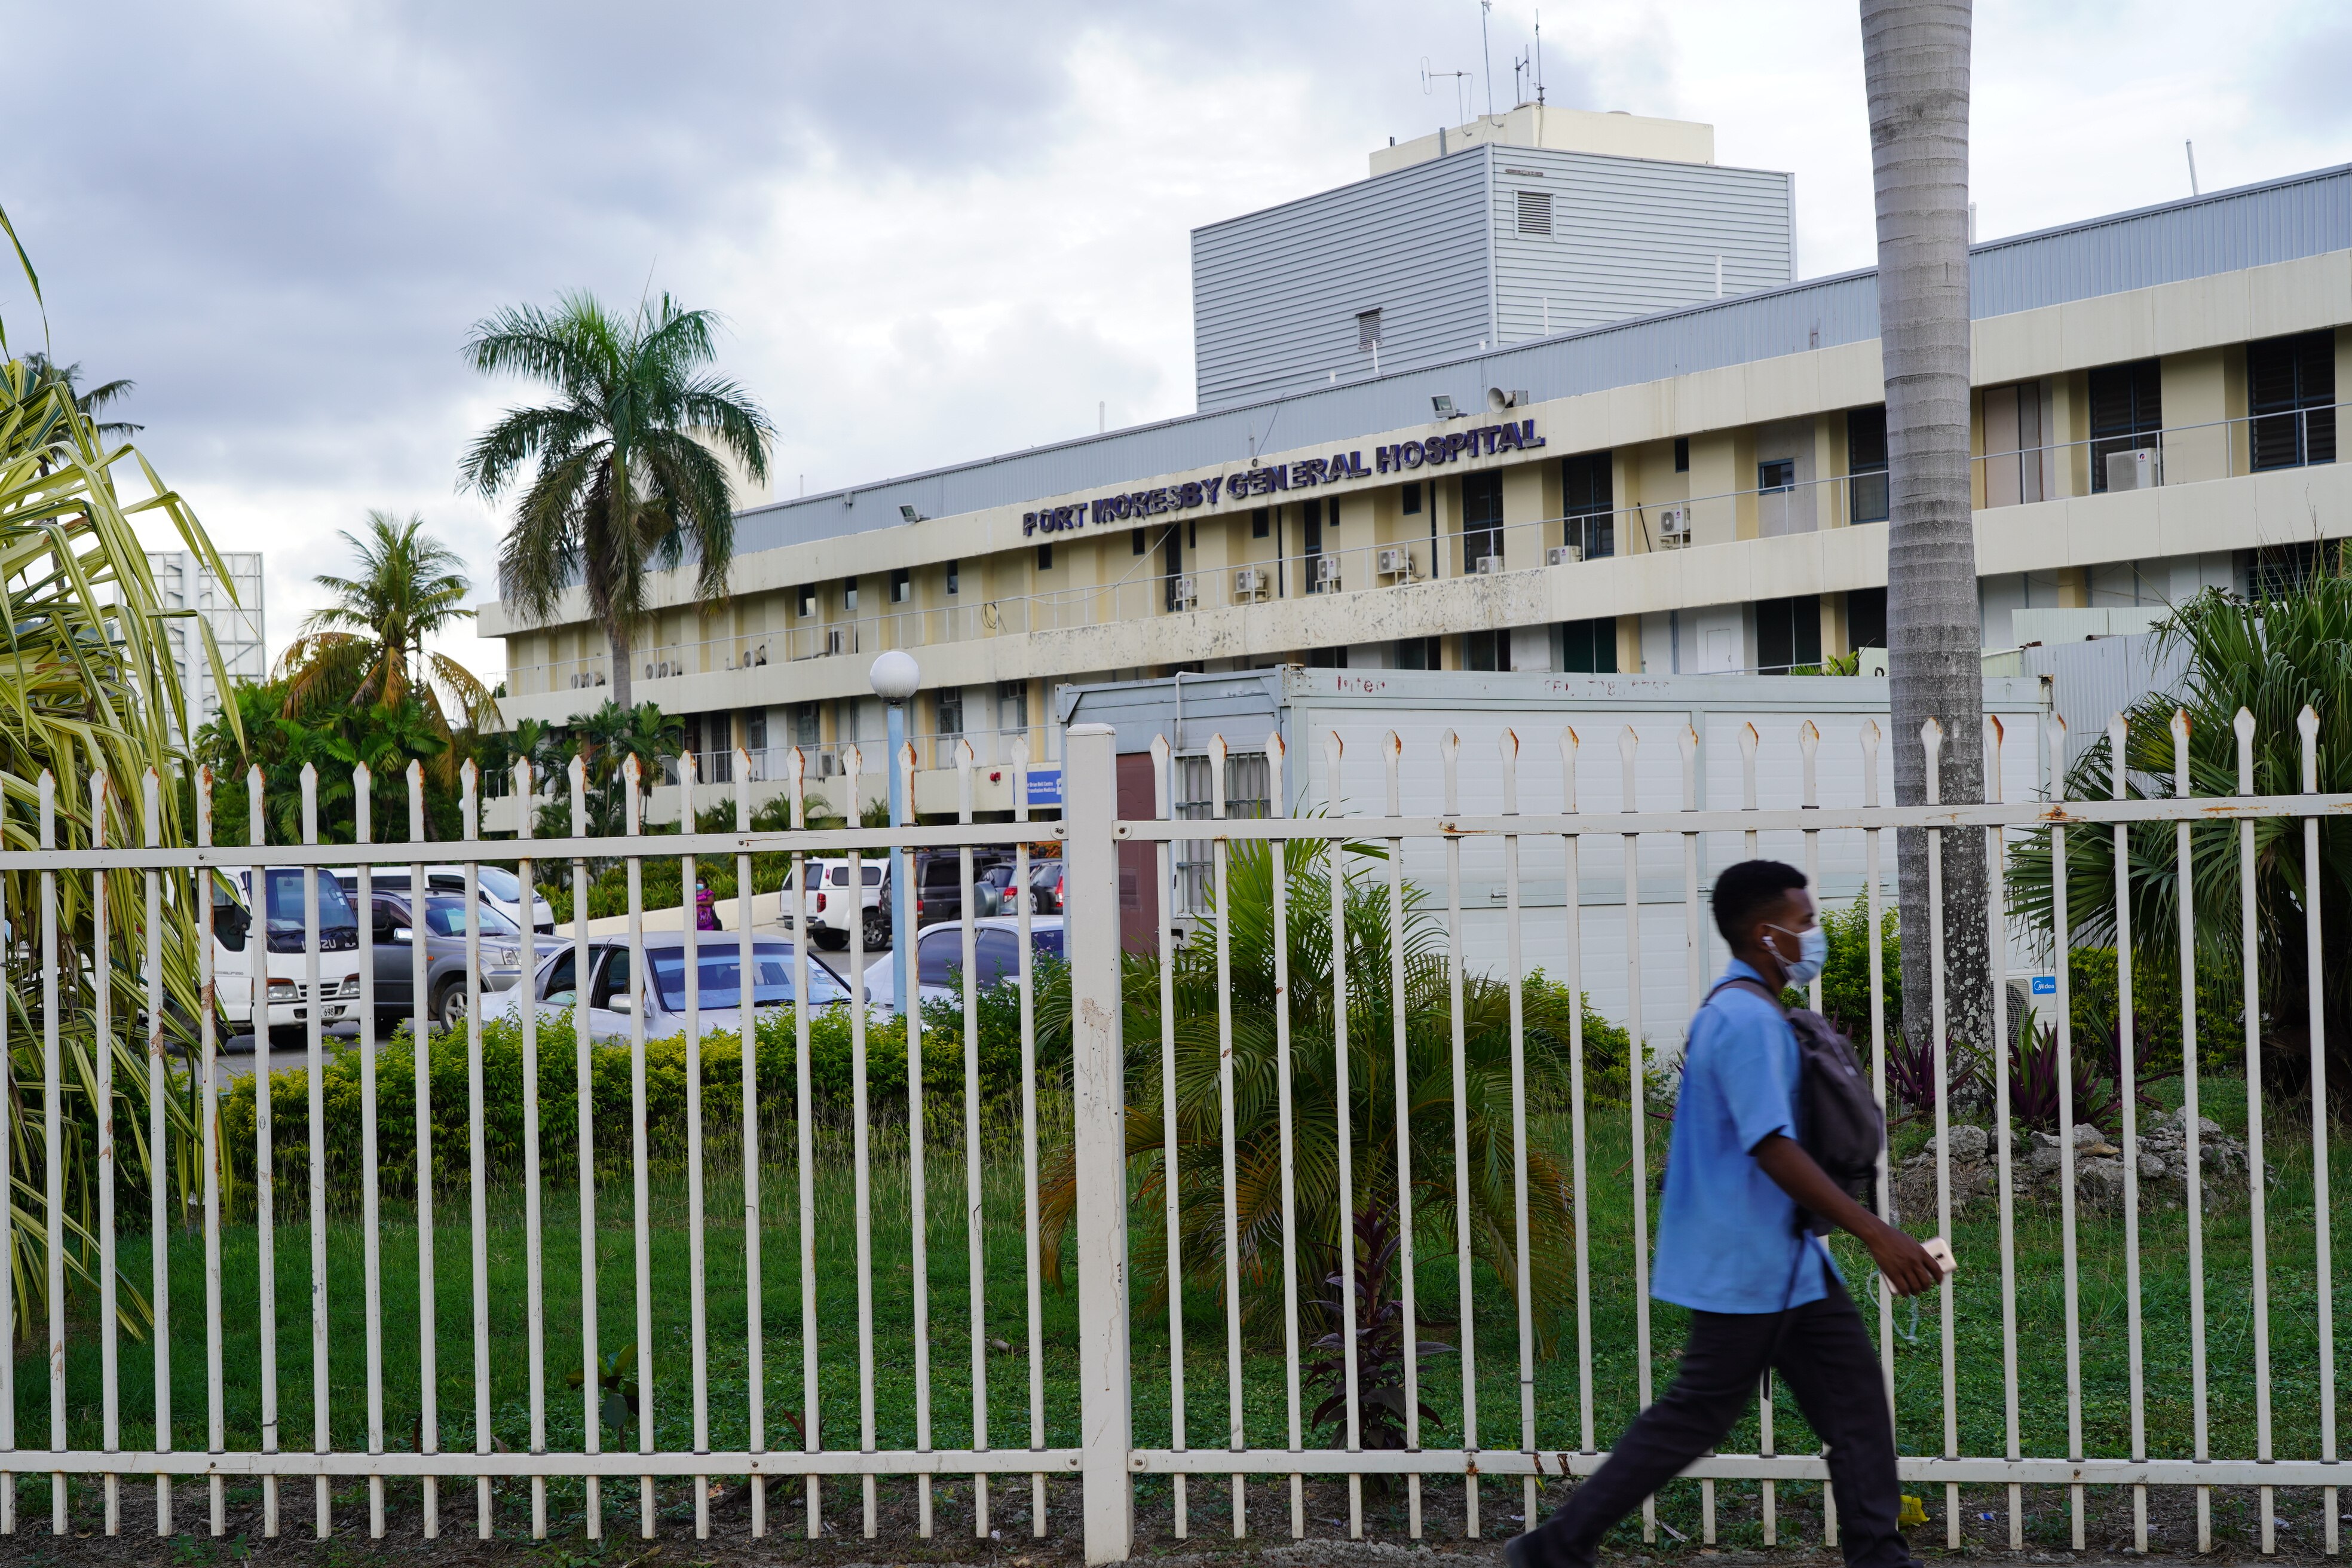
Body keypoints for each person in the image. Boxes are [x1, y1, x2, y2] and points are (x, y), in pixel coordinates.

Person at [1506, 859, 1944, 1568]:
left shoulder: (1750, 1009)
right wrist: (1876, 1232)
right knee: (1694, 1415)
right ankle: (1553, 1546)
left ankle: (1880, 1555)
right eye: (1805, 922)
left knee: (1856, 1408)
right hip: (1749, 1264)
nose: (1814, 934)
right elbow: (1772, 1145)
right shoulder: (1743, 1018)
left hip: (1789, 1261)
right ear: (1767, 934)